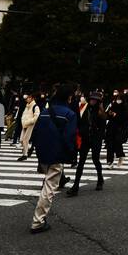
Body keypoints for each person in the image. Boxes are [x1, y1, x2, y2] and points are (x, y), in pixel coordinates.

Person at [29, 84, 78, 234]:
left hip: (42, 153)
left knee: (47, 184)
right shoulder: (69, 114)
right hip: (56, 154)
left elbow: (35, 133)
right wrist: (72, 155)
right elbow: (69, 138)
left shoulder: (45, 112)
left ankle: (39, 219)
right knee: (49, 188)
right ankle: (38, 221)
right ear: (68, 97)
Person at [68, 91, 107, 195]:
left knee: (95, 160)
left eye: (94, 100)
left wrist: (96, 135)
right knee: (81, 162)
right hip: (86, 139)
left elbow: (102, 130)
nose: (92, 101)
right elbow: (82, 123)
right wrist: (81, 131)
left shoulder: (101, 113)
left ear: (98, 101)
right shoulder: (87, 109)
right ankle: (75, 186)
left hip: (95, 140)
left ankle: (100, 178)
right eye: (91, 99)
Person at [17, 92, 40, 162]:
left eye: (29, 98)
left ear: (32, 98)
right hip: (25, 124)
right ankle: (30, 148)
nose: (27, 99)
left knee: (25, 140)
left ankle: (25, 155)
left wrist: (29, 121)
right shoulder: (27, 106)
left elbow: (36, 117)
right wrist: (23, 121)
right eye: (27, 98)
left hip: (30, 124)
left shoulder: (35, 106)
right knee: (21, 140)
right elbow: (24, 115)